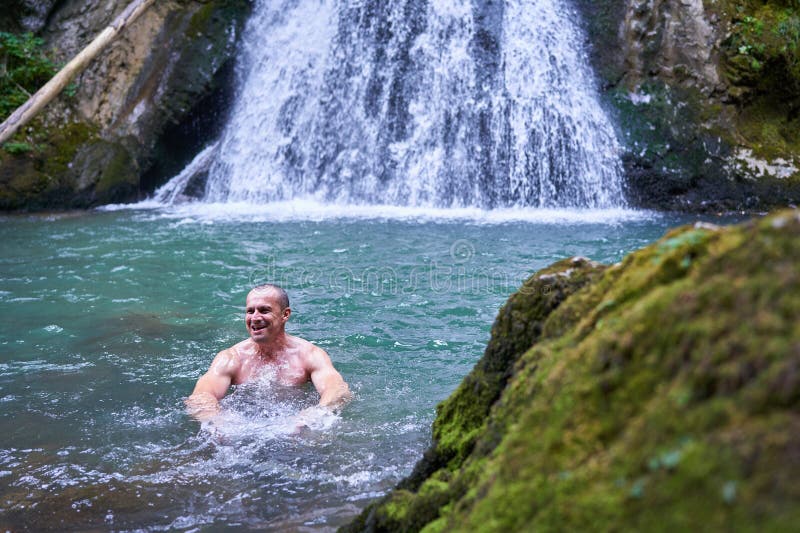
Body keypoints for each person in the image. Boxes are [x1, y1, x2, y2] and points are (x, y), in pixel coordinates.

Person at [185, 283, 351, 421]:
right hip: (242, 427)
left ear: (285, 315)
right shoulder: (231, 358)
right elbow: (201, 396)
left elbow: (337, 390)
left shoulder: (309, 355)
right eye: (250, 311)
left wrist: (313, 416)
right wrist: (219, 422)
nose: (255, 318)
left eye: (264, 310)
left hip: (294, 429)